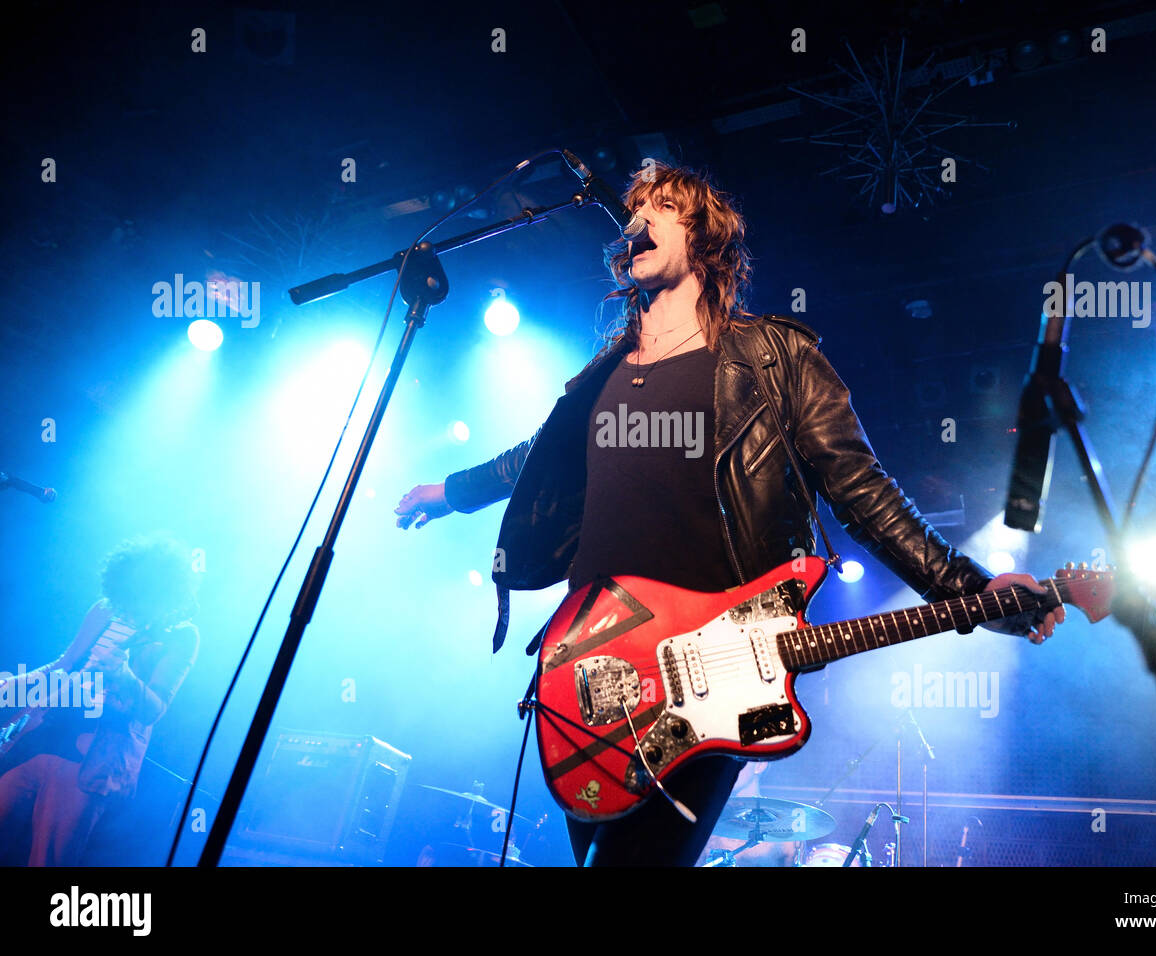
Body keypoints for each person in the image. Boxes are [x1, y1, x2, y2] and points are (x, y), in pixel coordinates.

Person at [394, 160, 1064, 866]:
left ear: (706, 239)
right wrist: (450, 494)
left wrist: (967, 587)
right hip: (592, 663)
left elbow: (860, 489)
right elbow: (530, 460)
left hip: (713, 665)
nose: (640, 218)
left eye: (664, 206)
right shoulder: (601, 372)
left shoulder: (776, 356)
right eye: (636, 208)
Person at [0, 534, 200, 865]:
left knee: (46, 861)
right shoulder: (105, 609)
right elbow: (63, 666)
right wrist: (14, 687)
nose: (128, 607)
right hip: (40, 738)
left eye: (137, 598)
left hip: (89, 761)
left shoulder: (181, 635)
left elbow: (154, 709)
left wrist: (124, 676)